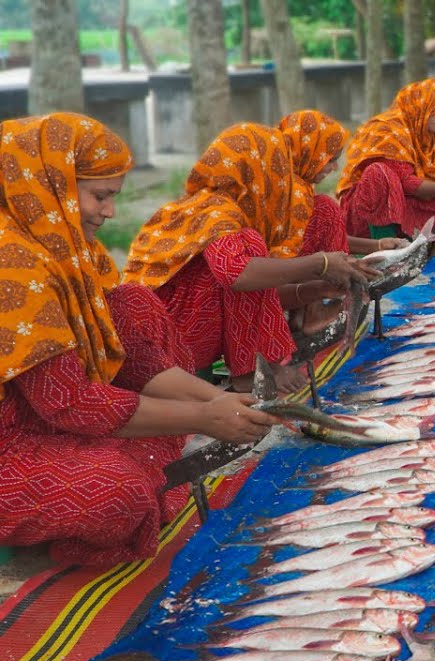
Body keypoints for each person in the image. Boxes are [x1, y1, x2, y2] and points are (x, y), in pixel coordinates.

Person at [0, 113, 278, 566]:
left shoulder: (68, 248)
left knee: (130, 303)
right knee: (119, 492)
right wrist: (204, 417)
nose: (109, 212)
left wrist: (217, 402)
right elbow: (71, 404)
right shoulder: (11, 263)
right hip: (12, 437)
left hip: (50, 414)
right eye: (100, 196)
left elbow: (129, 356)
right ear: (50, 185)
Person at [123, 123, 378, 393]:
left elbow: (256, 295)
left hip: (177, 331)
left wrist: (317, 289)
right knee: (251, 249)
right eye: (279, 170)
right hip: (162, 342)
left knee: (255, 255)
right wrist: (320, 264)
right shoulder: (215, 210)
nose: (284, 180)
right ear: (259, 171)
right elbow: (238, 274)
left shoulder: (232, 209)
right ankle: (250, 373)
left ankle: (263, 360)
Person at [336, 78, 435, 241]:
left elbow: (429, 179)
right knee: (378, 174)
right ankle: (384, 246)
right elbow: (405, 182)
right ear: (427, 105)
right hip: (368, 214)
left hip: (404, 202)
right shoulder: (386, 128)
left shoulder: (424, 135)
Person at [279, 109, 405, 258]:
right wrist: (325, 266)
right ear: (308, 152)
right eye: (330, 160)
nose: (335, 168)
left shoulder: (300, 187)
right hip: (288, 268)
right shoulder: (286, 191)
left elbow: (327, 235)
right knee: (325, 207)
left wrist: (379, 245)